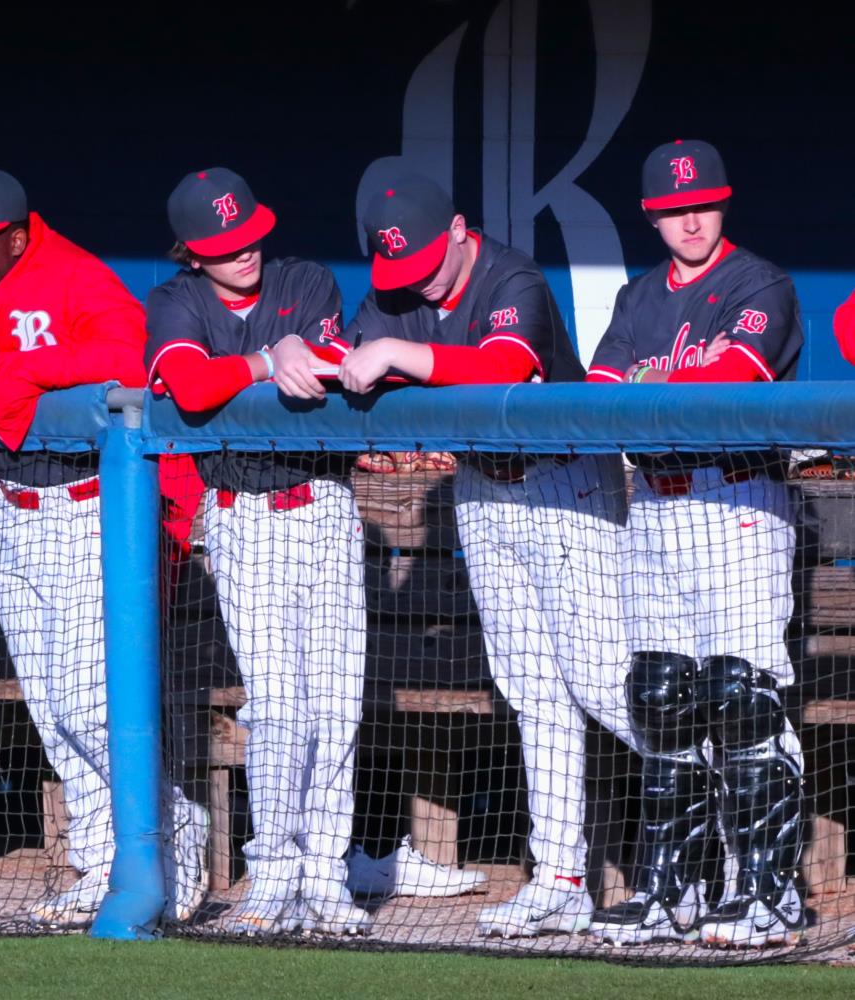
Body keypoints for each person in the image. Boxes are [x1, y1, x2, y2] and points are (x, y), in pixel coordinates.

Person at [146, 167, 472, 936]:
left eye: (249, 235)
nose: (245, 253)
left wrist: (292, 348)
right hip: (242, 515)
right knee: (282, 710)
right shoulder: (175, 300)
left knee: (334, 706)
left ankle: (324, 874)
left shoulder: (305, 278)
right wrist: (266, 358)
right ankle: (273, 875)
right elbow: (190, 388)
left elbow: (325, 376)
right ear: (192, 253)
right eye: (224, 247)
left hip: (321, 506)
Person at [0, 166, 209, 930]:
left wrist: (17, 371)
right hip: (16, 508)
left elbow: (129, 356)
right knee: (53, 711)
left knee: (97, 707)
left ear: (17, 237)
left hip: (89, 511)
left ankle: (173, 850)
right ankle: (101, 866)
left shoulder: (74, 276)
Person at [338, 161, 638, 938]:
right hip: (484, 489)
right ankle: (560, 878)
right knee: (530, 691)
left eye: (429, 263)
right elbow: (345, 353)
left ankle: (716, 852)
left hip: (562, 481)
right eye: (400, 268)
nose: (420, 285)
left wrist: (399, 357)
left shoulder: (515, 279)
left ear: (460, 232)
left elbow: (503, 372)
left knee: (603, 682)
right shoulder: (392, 290)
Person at [582, 140, 805, 948]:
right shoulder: (638, 298)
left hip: (735, 498)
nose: (689, 217)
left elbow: (734, 378)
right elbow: (600, 401)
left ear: (724, 201)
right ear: (651, 215)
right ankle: (669, 890)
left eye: (701, 202)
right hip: (655, 507)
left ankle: (768, 894)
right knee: (659, 695)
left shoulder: (758, 283)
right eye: (674, 207)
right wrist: (672, 380)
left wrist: (657, 385)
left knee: (741, 698)